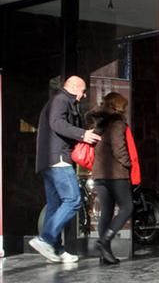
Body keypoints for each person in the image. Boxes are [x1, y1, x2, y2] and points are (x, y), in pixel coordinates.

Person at [30, 76, 101, 263]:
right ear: (74, 87)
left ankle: (55, 250)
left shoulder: (60, 101)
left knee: (54, 205)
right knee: (73, 200)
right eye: (83, 91)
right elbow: (57, 124)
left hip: (49, 160)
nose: (84, 95)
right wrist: (82, 134)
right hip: (59, 160)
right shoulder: (61, 100)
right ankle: (45, 239)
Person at [85, 91, 139, 264]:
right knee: (127, 208)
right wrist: (128, 164)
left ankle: (105, 255)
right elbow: (119, 148)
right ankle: (104, 240)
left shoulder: (99, 122)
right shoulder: (116, 123)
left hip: (99, 174)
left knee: (106, 212)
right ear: (119, 106)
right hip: (116, 174)